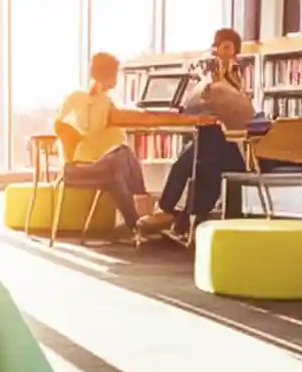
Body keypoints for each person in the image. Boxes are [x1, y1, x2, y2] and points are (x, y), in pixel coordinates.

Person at [138, 28, 255, 240]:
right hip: (217, 140)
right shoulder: (207, 75)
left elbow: (241, 111)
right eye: (221, 47)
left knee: (201, 154)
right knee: (204, 154)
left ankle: (169, 212)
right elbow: (194, 106)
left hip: (232, 144)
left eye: (229, 48)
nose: (225, 52)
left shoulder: (237, 79)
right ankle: (181, 218)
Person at [53, 52, 150, 241]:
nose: (116, 80)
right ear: (104, 75)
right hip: (77, 166)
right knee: (122, 154)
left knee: (119, 168)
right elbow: (84, 129)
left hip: (104, 165)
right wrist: (100, 102)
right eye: (114, 74)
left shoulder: (106, 101)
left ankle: (136, 225)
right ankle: (140, 222)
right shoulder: (78, 98)